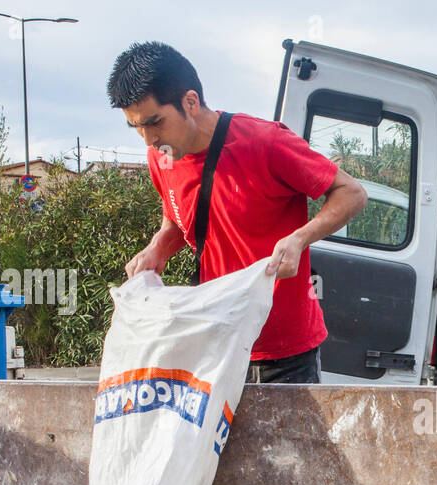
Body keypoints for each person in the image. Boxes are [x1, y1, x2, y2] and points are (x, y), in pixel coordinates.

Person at [107, 41, 367, 383]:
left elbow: (352, 193)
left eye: (155, 123)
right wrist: (158, 247)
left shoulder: (265, 143)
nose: (147, 139)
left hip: (284, 354)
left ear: (190, 102)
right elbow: (177, 219)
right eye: (136, 126)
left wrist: (299, 238)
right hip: (213, 345)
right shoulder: (162, 157)